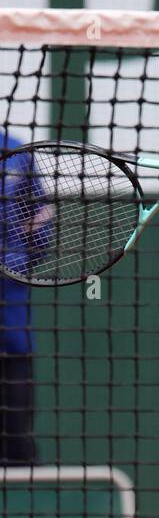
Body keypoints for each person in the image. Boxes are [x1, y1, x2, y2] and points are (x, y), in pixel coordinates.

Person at [0, 134, 49, 467]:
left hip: (11, 333)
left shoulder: (15, 153)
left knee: (18, 448)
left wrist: (13, 261)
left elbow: (42, 225)